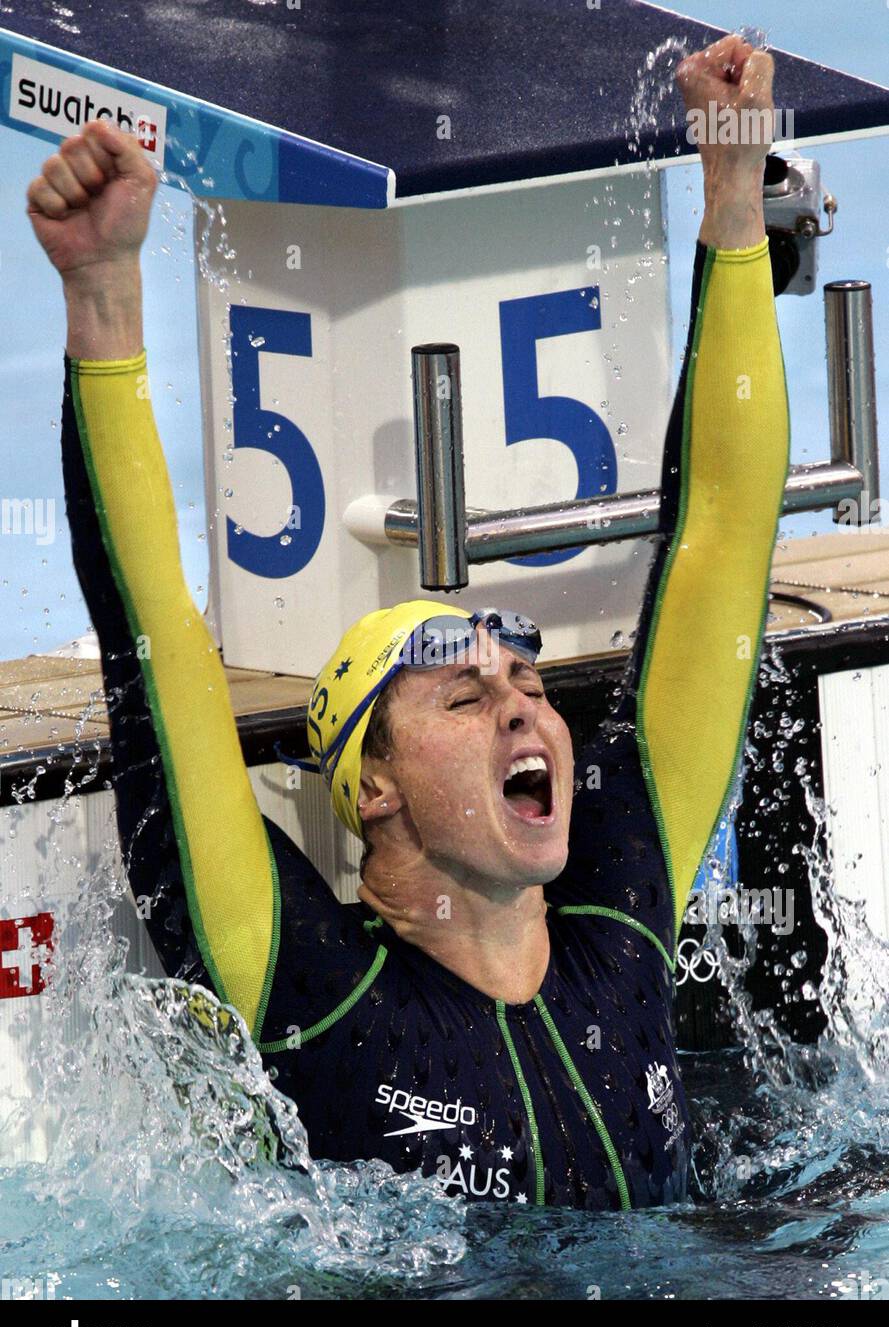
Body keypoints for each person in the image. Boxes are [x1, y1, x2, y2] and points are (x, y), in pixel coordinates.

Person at [26, 35, 789, 1209]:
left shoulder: (622, 920)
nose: (523, 709)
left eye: (525, 685)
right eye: (465, 696)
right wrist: (103, 301)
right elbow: (156, 647)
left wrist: (733, 184)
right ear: (368, 783)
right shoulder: (313, 993)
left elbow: (723, 543)